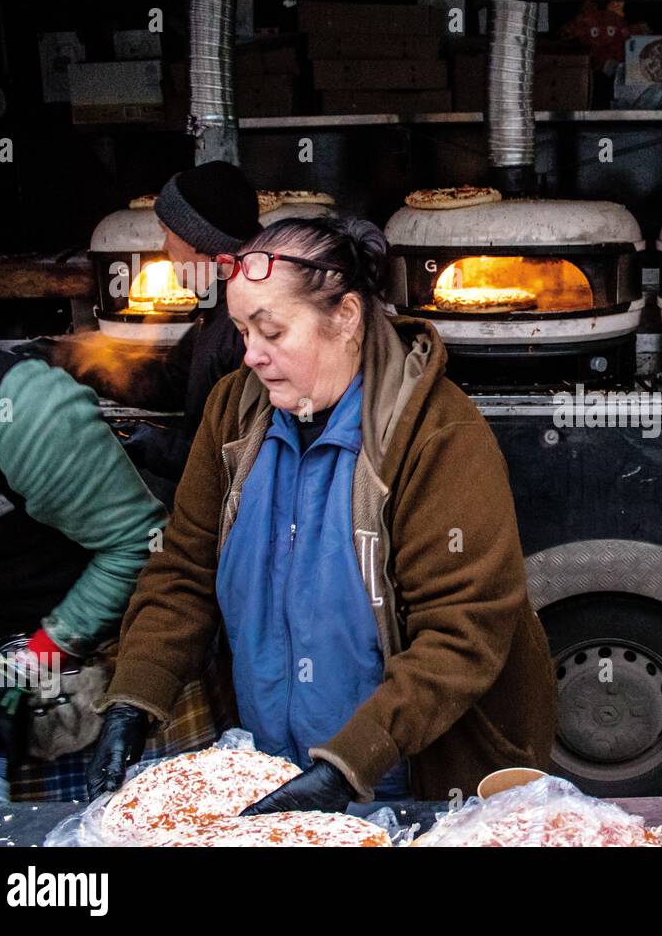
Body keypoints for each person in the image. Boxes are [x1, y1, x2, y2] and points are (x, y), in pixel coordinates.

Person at [88, 216, 558, 810]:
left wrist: (348, 765)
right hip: (271, 771)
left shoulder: (437, 436)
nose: (251, 356)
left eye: (272, 332)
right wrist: (136, 694)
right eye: (240, 331)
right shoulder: (234, 414)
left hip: (413, 780)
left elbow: (462, 632)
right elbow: (184, 570)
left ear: (346, 318)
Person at [0, 341, 224, 809]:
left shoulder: (21, 411)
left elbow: (138, 543)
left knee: (154, 828)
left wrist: (36, 658)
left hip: (124, 649)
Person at [121, 161, 260, 489]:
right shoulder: (215, 303)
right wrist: (79, 364)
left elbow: (236, 462)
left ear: (197, 239)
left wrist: (148, 444)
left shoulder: (244, 327)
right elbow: (171, 383)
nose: (163, 247)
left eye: (167, 232)